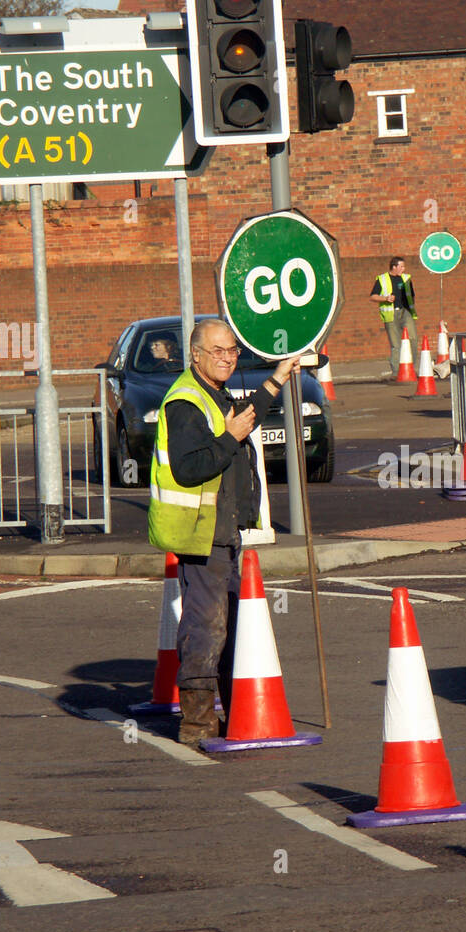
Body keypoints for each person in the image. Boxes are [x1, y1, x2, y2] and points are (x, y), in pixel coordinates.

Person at [147, 318, 297, 747]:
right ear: (195, 355)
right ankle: (196, 724)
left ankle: (237, 715)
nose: (227, 357)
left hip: (222, 529)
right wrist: (229, 438)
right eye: (217, 351)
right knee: (207, 623)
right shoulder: (185, 403)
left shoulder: (214, 392)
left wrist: (277, 379)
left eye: (232, 350)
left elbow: (244, 420)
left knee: (228, 622)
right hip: (200, 532)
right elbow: (190, 466)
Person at [370, 255, 417, 376]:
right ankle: (396, 372)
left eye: (404, 266)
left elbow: (412, 295)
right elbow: (373, 296)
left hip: (405, 312)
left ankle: (412, 368)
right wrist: (385, 298)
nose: (403, 269)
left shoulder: (406, 278)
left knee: (412, 339)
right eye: (401, 266)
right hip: (391, 314)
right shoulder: (382, 279)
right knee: (396, 344)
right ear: (394, 267)